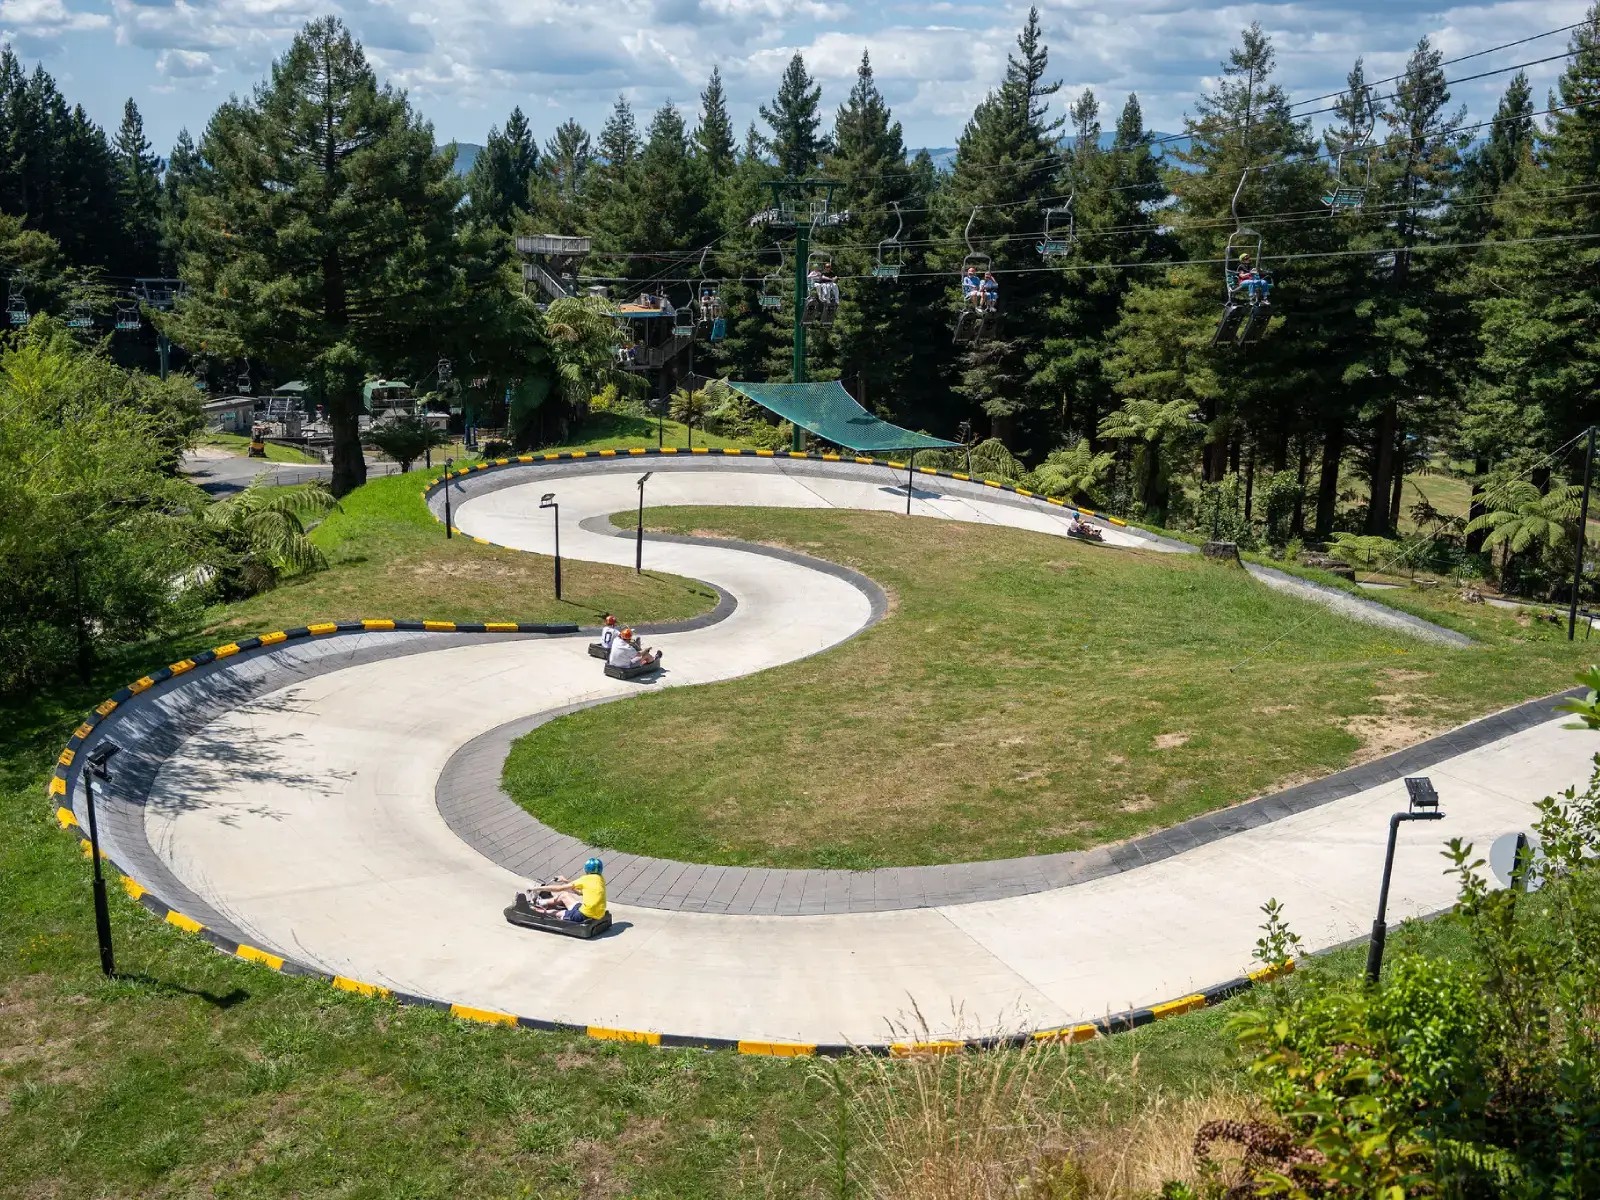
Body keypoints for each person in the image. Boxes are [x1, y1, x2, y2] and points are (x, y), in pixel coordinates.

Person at [529, 858, 608, 923]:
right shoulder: (601, 879)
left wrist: (537, 888)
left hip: (583, 915)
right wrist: (565, 881)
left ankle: (534, 910)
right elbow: (580, 893)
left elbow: (559, 889)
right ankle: (541, 902)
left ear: (586, 869)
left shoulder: (585, 879)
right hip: (598, 913)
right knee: (564, 895)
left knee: (555, 913)